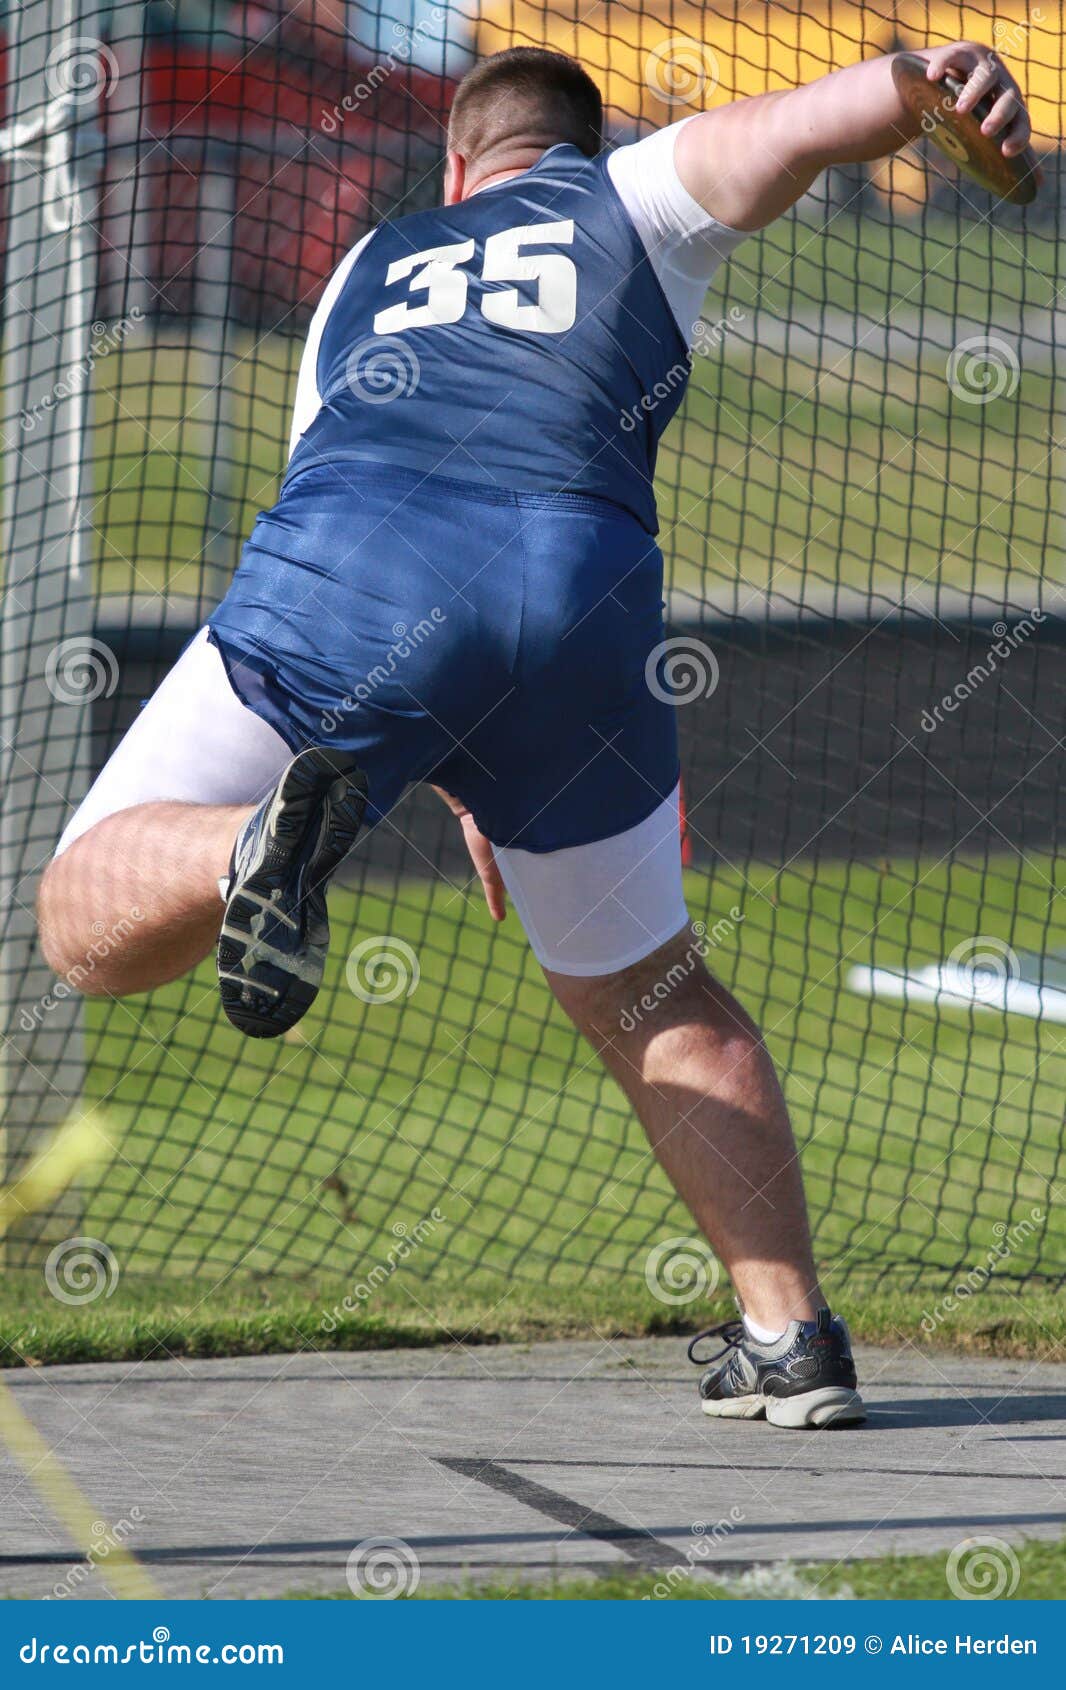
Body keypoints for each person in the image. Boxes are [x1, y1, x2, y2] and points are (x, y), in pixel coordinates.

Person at [38, 40, 1033, 1428]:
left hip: (351, 570)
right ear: (579, 144)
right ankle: (789, 1334)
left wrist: (423, 733)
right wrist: (963, 101)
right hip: (575, 606)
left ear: (458, 164)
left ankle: (241, 849)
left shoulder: (367, 268)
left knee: (80, 917)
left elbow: (350, 496)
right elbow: (835, 110)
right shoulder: (630, 192)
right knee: (655, 991)